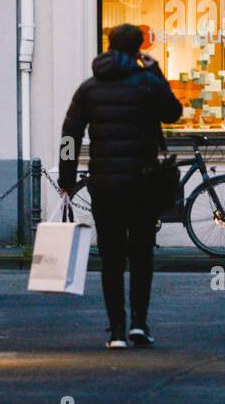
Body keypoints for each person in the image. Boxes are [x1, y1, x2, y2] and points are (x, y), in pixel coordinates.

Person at [59, 24, 182, 348]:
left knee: (111, 257)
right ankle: (139, 324)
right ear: (138, 49)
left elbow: (69, 136)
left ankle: (116, 330)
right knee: (141, 254)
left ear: (109, 46)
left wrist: (66, 179)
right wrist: (157, 72)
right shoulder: (147, 84)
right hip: (142, 183)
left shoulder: (89, 88)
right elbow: (173, 113)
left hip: (104, 183)